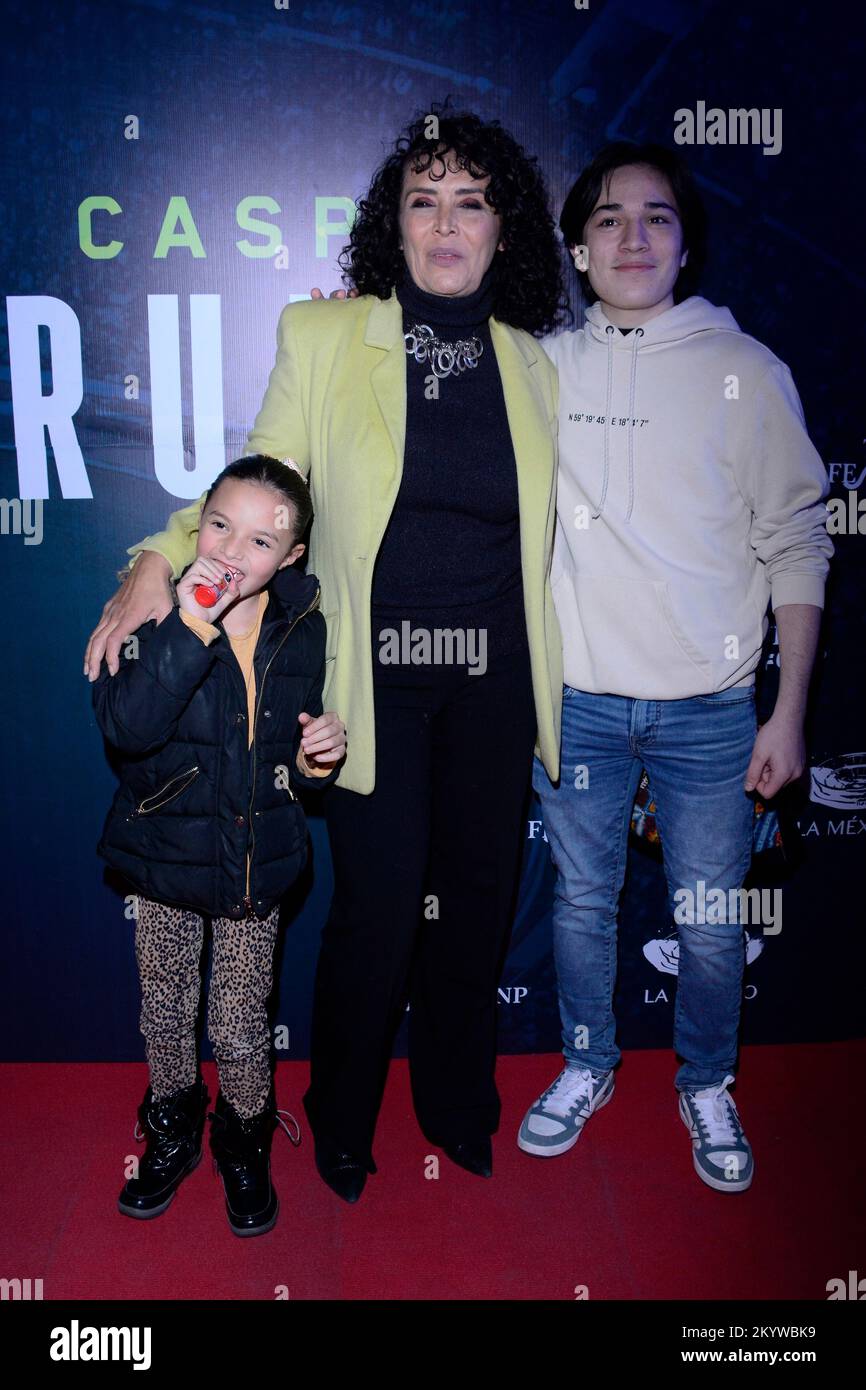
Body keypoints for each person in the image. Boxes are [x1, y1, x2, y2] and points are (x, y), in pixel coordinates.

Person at [84, 107, 567, 1202]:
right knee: (381, 907)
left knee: (477, 899)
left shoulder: (535, 365)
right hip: (371, 681)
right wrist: (155, 561)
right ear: (390, 224)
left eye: (471, 201)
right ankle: (341, 1116)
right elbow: (255, 487)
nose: (446, 222)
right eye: (422, 199)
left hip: (492, 680)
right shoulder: (325, 337)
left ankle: (456, 1101)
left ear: (505, 228)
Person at [518, 141, 833, 1192]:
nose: (633, 236)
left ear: (685, 242)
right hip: (579, 703)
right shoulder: (544, 368)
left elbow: (795, 539)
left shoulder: (746, 371)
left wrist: (785, 714)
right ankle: (585, 1062)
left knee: (707, 918)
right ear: (576, 246)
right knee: (578, 905)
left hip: (710, 712)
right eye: (607, 218)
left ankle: (703, 1078)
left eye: (655, 216)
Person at [92, 455, 346, 1235]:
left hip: (251, 865)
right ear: (198, 520)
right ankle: (171, 1128)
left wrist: (313, 761)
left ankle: (243, 1138)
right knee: (164, 1014)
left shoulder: (304, 625)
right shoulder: (153, 605)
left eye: (263, 541)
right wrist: (192, 618)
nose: (235, 551)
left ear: (293, 557)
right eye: (221, 524)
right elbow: (127, 728)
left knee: (240, 1023)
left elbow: (293, 773)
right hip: (164, 858)